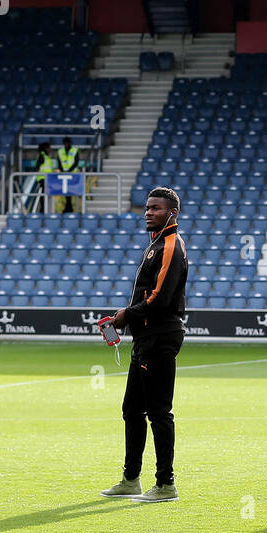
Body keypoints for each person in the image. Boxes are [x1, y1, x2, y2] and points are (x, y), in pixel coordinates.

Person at [100, 187, 189, 504]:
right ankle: (131, 480)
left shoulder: (170, 246)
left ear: (172, 213)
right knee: (132, 409)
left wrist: (126, 315)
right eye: (147, 207)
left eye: (156, 208)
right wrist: (129, 321)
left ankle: (166, 484)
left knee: (159, 411)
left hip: (161, 337)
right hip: (147, 336)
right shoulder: (155, 246)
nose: (148, 212)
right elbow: (149, 299)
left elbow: (160, 298)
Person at [56, 136, 81, 213]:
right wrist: (62, 171)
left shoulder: (75, 150)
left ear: (70, 143)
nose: (66, 144)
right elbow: (59, 162)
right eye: (65, 143)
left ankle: (71, 207)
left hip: (73, 174)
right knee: (66, 192)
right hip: (64, 174)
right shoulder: (60, 151)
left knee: (72, 191)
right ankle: (68, 207)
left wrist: (70, 170)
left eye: (67, 143)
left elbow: (76, 162)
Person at [35, 141, 57, 213]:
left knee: (46, 195)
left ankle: (45, 210)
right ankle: (42, 210)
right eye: (49, 148)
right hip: (43, 178)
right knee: (43, 196)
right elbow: (37, 167)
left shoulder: (47, 157)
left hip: (47, 179)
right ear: (45, 148)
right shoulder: (42, 156)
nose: (50, 149)